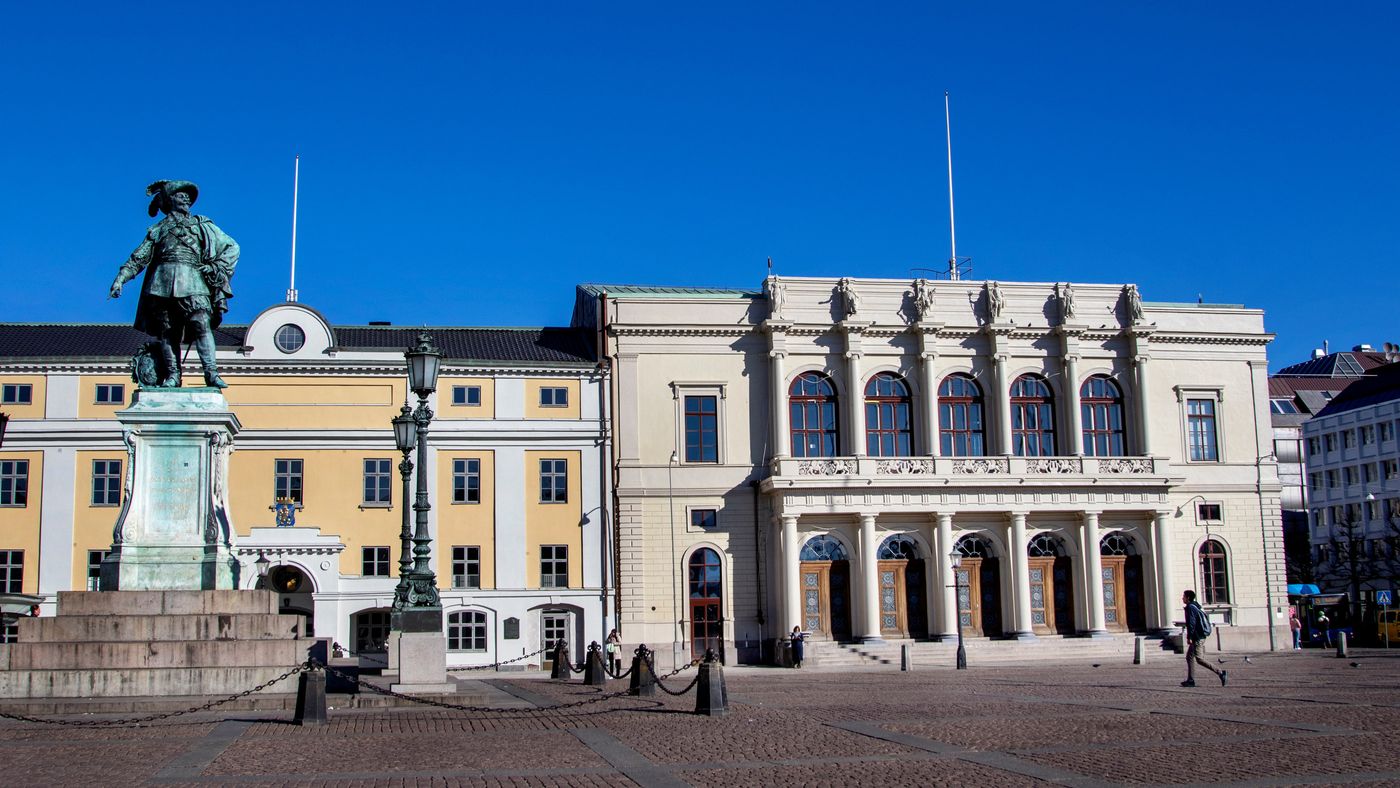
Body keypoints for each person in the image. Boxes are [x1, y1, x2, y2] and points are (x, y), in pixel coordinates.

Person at [110, 180, 239, 389]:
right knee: (168, 331)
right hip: (161, 283)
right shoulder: (158, 229)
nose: (186, 198)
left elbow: (232, 247)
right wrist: (120, 279)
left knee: (201, 323)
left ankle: (211, 373)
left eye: (188, 196)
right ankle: (172, 376)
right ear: (170, 200)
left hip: (193, 279)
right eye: (181, 195)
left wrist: (216, 266)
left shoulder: (201, 225)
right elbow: (139, 258)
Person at [1182, 590, 1226, 687]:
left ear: (1188, 598)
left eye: (1184, 596)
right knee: (1189, 657)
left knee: (1199, 659)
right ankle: (1190, 680)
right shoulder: (1196, 605)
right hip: (1199, 635)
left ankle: (1220, 672)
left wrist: (1189, 637)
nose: (1182, 598)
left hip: (1197, 637)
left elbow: (1191, 623)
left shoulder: (1190, 607)